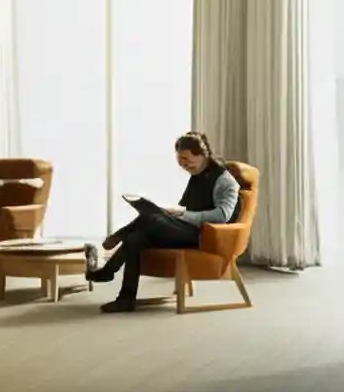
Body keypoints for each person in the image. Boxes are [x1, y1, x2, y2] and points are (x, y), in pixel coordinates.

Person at [87, 131, 241, 313]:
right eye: (180, 161)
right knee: (136, 237)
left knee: (152, 216)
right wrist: (175, 213)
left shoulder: (225, 180)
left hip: (202, 235)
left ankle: (114, 251)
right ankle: (125, 299)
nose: (183, 165)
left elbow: (222, 215)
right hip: (184, 229)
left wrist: (182, 215)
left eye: (186, 159)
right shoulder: (197, 175)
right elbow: (189, 209)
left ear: (202, 154)